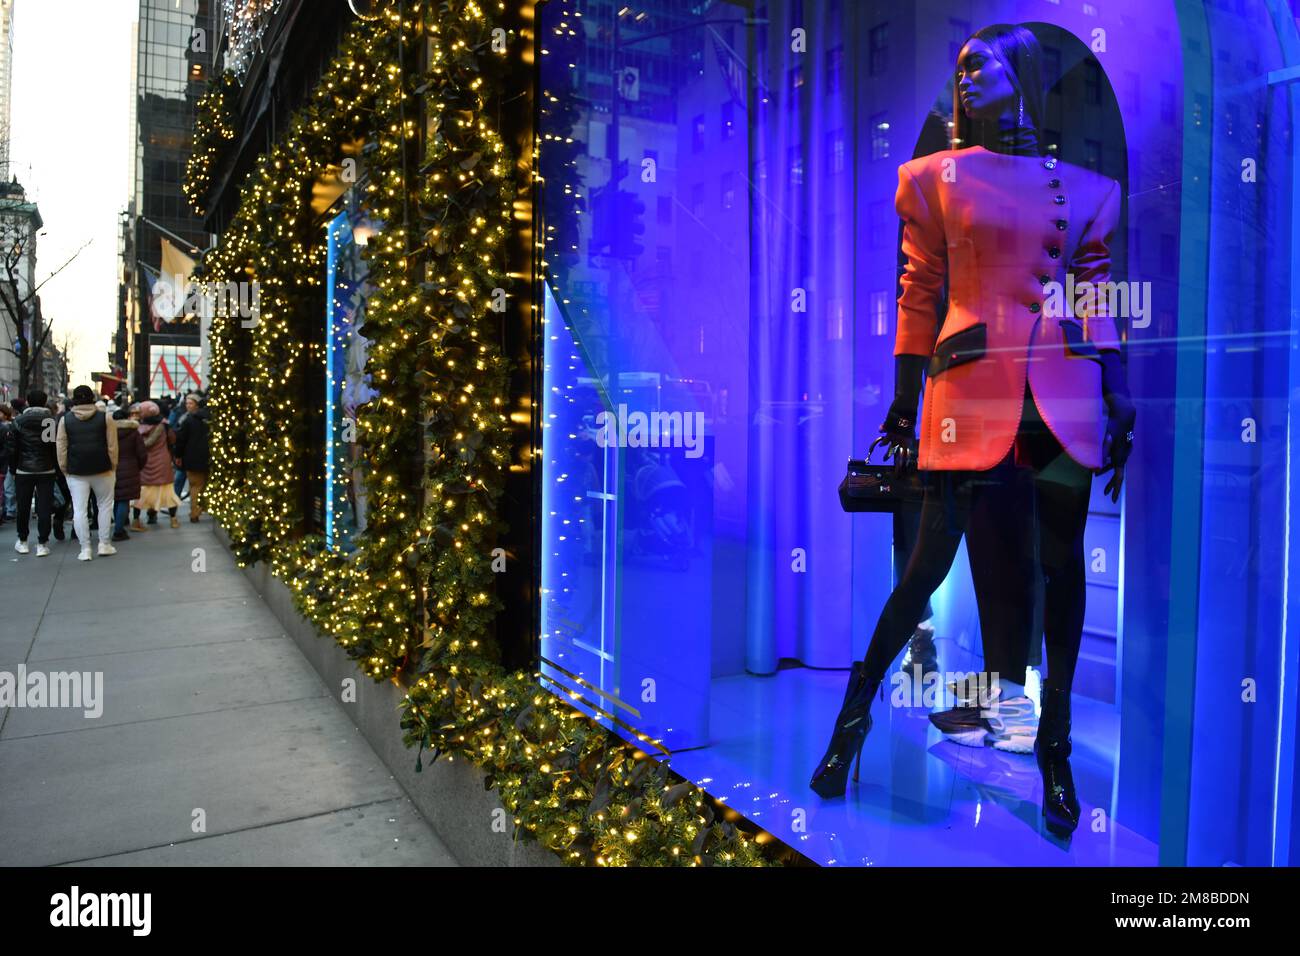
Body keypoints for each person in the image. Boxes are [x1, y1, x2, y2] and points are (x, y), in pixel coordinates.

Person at [809, 25, 1134, 842]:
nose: (964, 77)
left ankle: (1051, 746)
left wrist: (1119, 384)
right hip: (967, 397)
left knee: (1062, 574)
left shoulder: (1086, 188)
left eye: (978, 64)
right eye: (956, 67)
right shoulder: (932, 180)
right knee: (924, 567)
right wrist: (901, 398)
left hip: (1062, 396)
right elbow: (919, 289)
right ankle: (853, 721)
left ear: (1019, 74)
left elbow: (1096, 293)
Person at [56, 385, 120, 561]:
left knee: (79, 510)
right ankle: (104, 544)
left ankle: (85, 549)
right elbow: (112, 446)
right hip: (103, 468)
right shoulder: (105, 418)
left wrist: (64, 468)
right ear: (92, 398)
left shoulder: (65, 420)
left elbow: (61, 446)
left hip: (76, 470)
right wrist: (113, 465)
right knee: (105, 506)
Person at [9, 393, 60, 556]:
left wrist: (13, 468)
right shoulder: (49, 421)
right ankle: (42, 543)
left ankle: (23, 541)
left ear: (28, 402)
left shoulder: (18, 421)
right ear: (44, 402)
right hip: (46, 468)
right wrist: (56, 468)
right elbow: (52, 447)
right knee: (44, 507)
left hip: (24, 469)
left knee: (23, 506)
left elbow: (13, 449)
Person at [132, 400, 181, 529]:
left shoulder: (137, 427)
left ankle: (136, 520)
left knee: (143, 493)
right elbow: (172, 439)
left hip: (145, 463)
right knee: (168, 492)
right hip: (163, 462)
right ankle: (173, 519)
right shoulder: (164, 425)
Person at [173, 393, 210, 522]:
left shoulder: (188, 421)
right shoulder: (210, 419)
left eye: (190, 403)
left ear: (196, 405)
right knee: (205, 485)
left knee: (195, 486)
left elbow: (181, 440)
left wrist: (178, 455)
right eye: (187, 403)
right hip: (208, 457)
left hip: (192, 458)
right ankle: (202, 508)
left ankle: (195, 513)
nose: (188, 406)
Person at [111, 407, 147, 541]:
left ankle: (118, 525)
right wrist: (138, 466)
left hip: (112, 468)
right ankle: (119, 530)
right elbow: (142, 453)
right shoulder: (133, 432)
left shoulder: (109, 432)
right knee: (124, 500)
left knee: (116, 498)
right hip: (130, 467)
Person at [0, 403, 13, 526]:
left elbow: (7, 448)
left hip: (4, 464)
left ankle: (8, 510)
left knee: (5, 489)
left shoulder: (6, 428)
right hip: (4, 464)